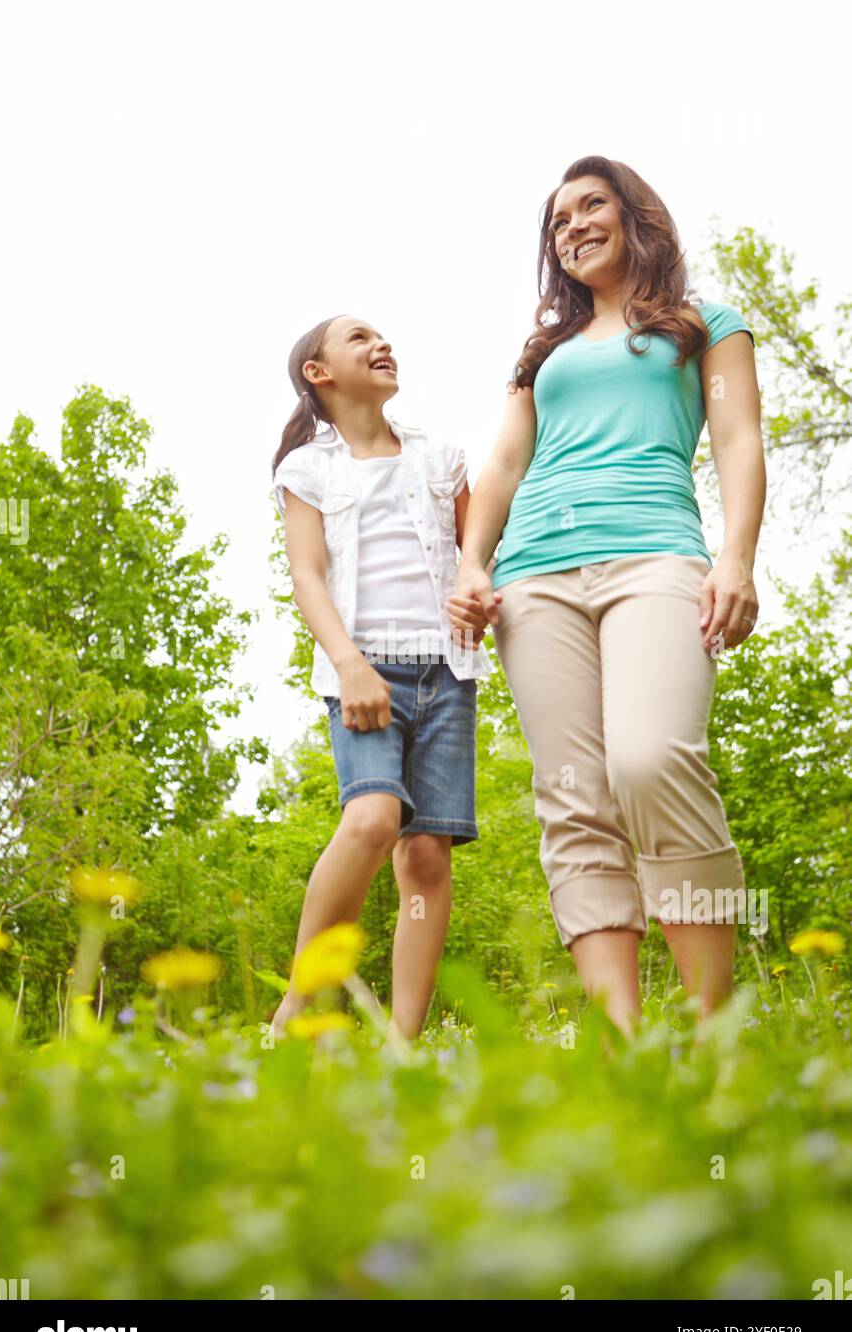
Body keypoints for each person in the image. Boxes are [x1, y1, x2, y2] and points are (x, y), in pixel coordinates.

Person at [446, 156, 766, 1040]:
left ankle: (712, 1027)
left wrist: (735, 559)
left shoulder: (708, 325)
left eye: (592, 206)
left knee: (651, 756)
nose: (574, 225)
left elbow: (738, 440)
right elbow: (505, 463)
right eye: (558, 220)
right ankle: (620, 1044)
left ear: (634, 218)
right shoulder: (543, 354)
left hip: (654, 557)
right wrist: (473, 564)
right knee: (576, 790)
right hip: (536, 576)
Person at [269, 313, 494, 1041]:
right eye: (360, 337)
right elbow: (307, 575)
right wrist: (349, 664)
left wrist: (480, 583)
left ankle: (404, 1043)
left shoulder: (441, 457)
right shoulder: (308, 470)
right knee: (371, 820)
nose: (382, 344)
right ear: (319, 371)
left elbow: (477, 553)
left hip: (447, 672)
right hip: (363, 672)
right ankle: (298, 1004)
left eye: (382, 336)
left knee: (426, 856)